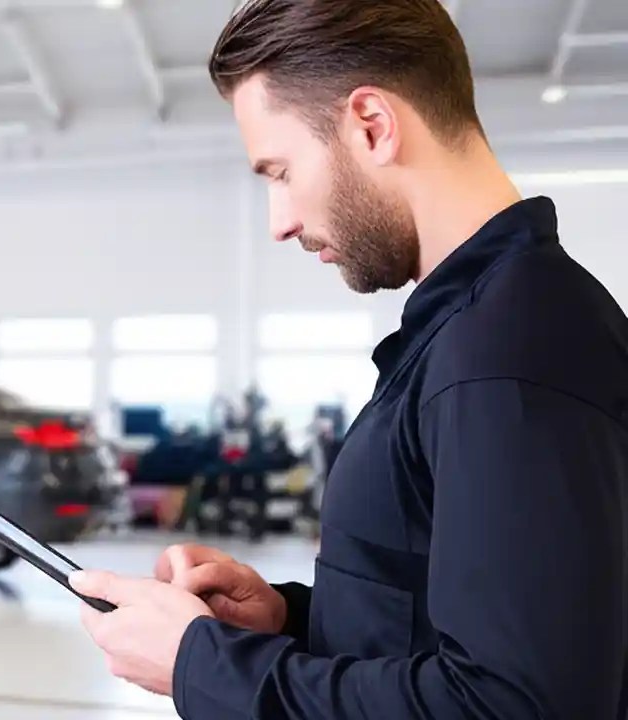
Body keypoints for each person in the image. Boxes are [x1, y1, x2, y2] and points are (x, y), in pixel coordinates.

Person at [69, 0, 628, 717]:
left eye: (280, 171)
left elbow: (510, 704)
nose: (281, 222)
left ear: (372, 125)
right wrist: (282, 622)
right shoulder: (471, 329)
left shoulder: (504, 353)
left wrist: (207, 667)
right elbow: (458, 624)